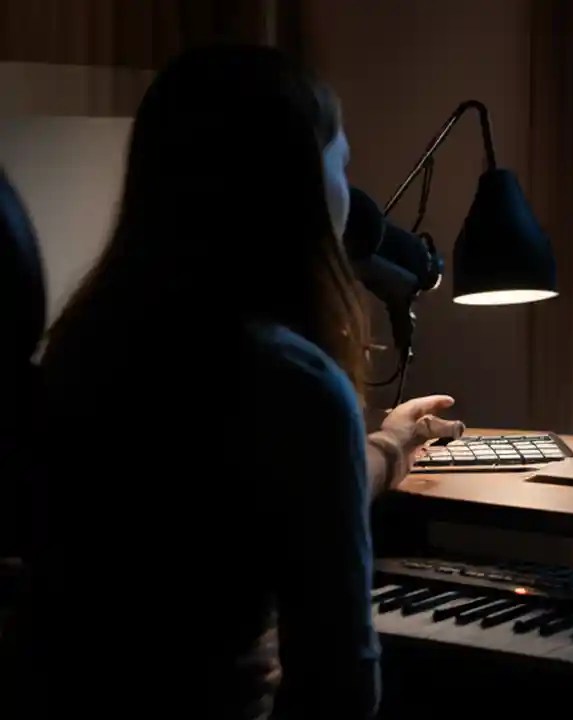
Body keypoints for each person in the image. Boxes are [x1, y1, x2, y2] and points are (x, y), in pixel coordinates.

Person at [0, 45, 462, 719]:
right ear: (301, 188)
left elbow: (255, 495)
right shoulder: (297, 387)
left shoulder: (81, 350)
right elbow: (338, 688)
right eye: (342, 161)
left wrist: (391, 447)